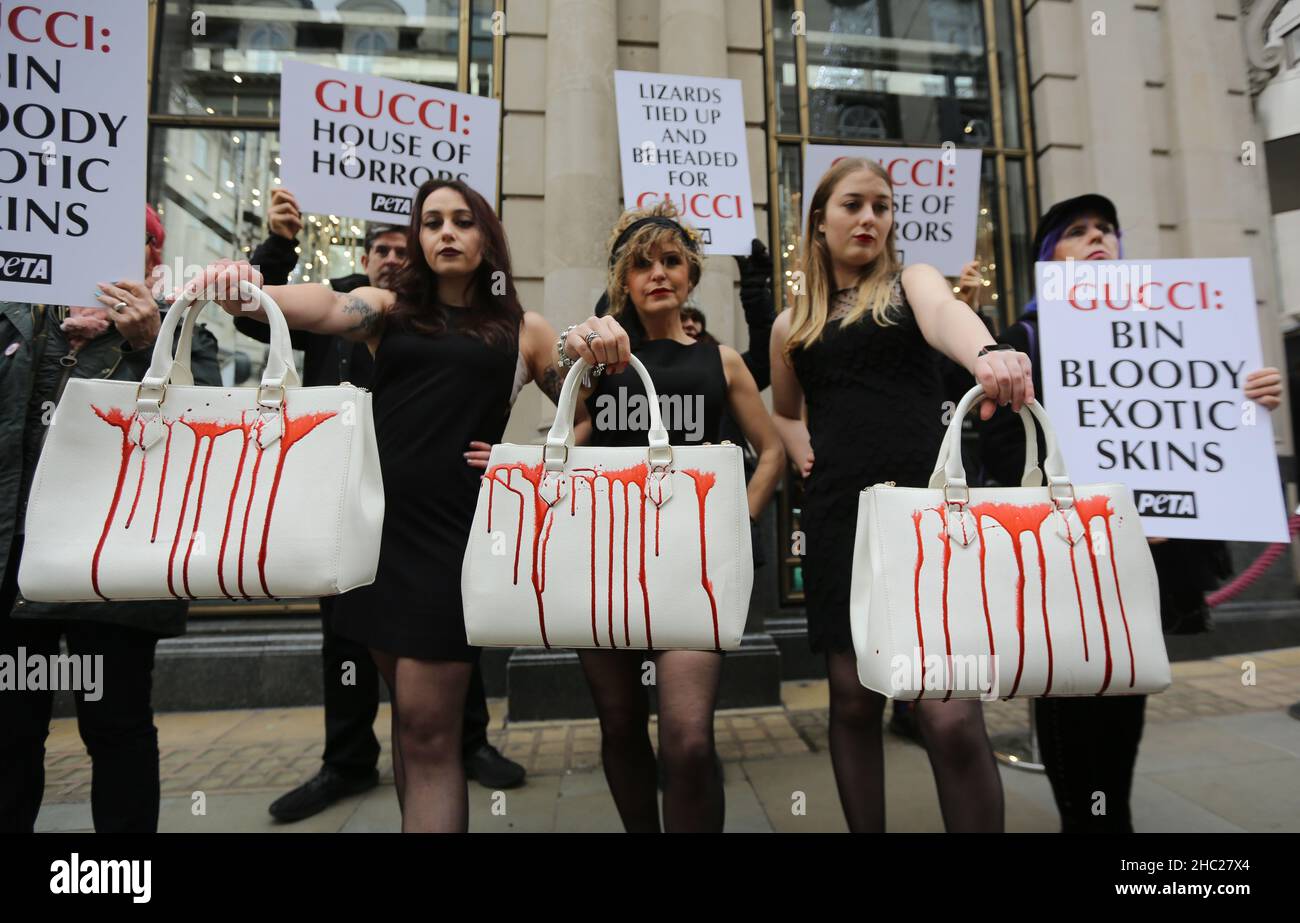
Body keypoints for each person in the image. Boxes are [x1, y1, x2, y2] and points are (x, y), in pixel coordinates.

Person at [194, 178, 577, 832]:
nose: (446, 232)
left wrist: (532, 461)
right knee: (410, 727)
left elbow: (584, 411)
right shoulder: (387, 308)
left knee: (429, 736)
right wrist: (252, 293)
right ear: (418, 238)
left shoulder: (524, 328)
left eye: (462, 220)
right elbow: (319, 306)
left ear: (487, 236)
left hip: (451, 545)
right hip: (369, 540)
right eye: (432, 222)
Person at [979, 193, 1284, 832]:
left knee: (1127, 685)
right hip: (1067, 556)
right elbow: (1004, 451)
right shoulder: (1023, 340)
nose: (1098, 240)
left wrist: (1250, 398)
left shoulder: (1175, 329)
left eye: (1108, 230)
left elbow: (1199, 419)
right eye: (1078, 232)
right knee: (1069, 688)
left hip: (1149, 552)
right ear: (1049, 255)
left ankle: (1112, 820)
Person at [769, 157, 1033, 832]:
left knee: (948, 714)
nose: (869, 218)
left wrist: (988, 353)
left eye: (882, 207)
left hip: (925, 521)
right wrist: (797, 443)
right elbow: (789, 409)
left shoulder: (910, 282)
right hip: (838, 520)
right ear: (820, 222)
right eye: (853, 205)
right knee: (853, 703)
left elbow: (947, 314)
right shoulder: (791, 325)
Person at [552, 203, 783, 832]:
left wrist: (735, 528)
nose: (658, 273)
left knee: (687, 740)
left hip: (694, 571)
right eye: (642, 263)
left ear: (691, 275)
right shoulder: (601, 363)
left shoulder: (723, 359)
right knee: (621, 725)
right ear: (623, 279)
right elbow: (566, 440)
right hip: (605, 564)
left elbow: (772, 454)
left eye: (672, 260)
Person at [0, 206, 222, 832]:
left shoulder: (177, 327)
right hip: (16, 566)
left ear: (155, 257)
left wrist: (147, 342)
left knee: (116, 728)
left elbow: (206, 420)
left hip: (112, 564)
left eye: (137, 243)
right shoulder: (20, 313)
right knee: (11, 732)